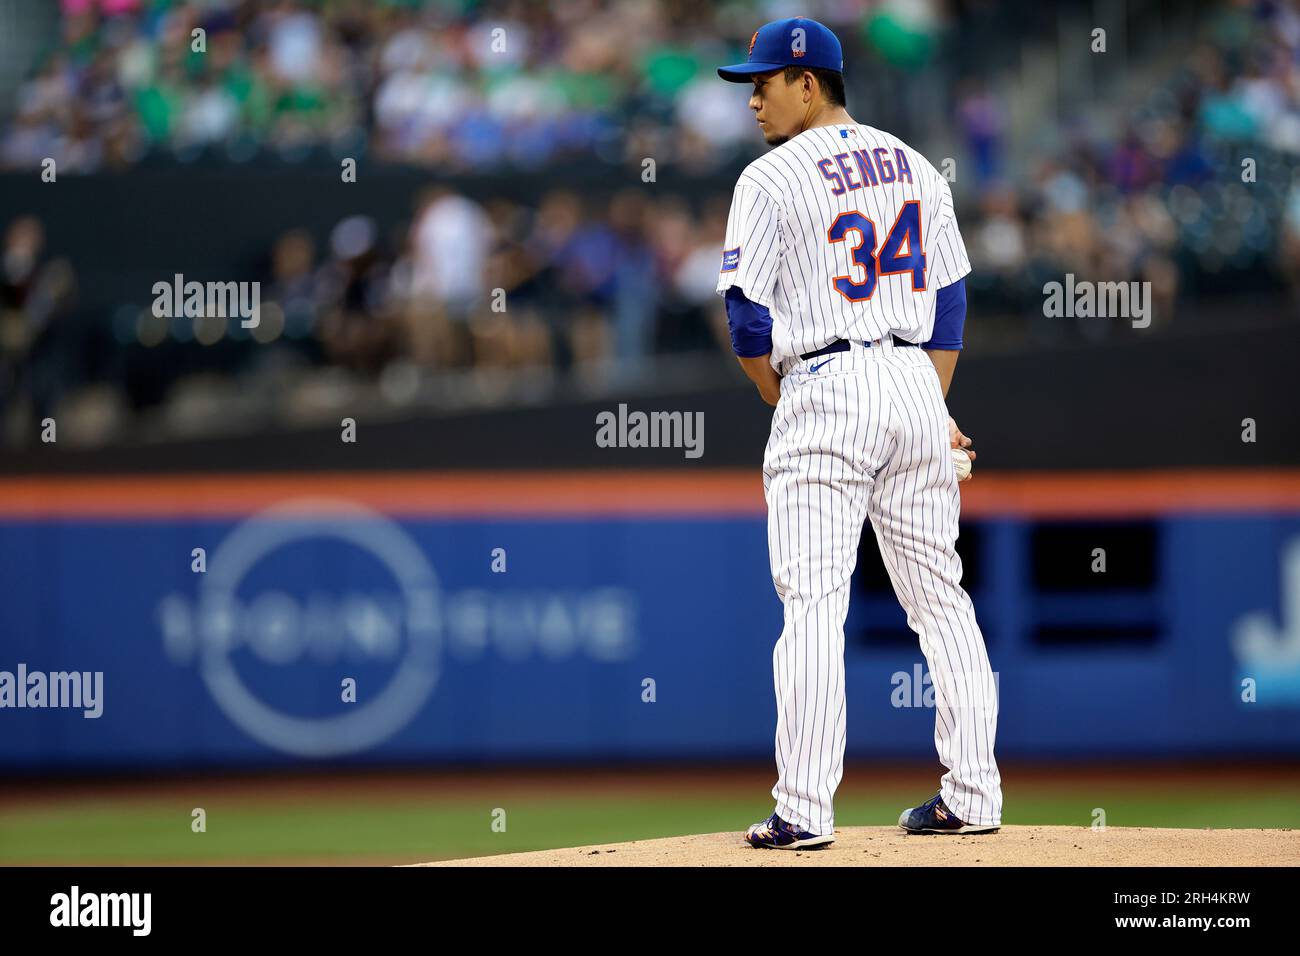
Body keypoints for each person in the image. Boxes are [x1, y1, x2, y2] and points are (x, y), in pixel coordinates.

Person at [714, 17, 1003, 849]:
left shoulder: (770, 177)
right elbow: (949, 301)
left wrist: (785, 397)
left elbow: (744, 316)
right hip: (914, 377)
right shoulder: (917, 163)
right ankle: (974, 793)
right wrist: (932, 405)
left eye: (764, 83)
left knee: (811, 603)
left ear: (809, 83)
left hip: (825, 380)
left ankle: (803, 810)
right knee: (940, 598)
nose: (754, 100)